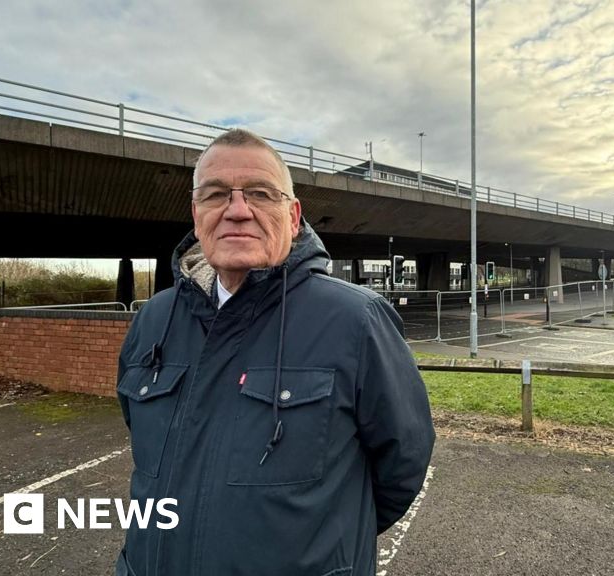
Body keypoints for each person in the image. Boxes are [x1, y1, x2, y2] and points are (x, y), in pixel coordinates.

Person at [115, 128, 435, 576]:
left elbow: (402, 464)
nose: (237, 211)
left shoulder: (356, 321)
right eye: (215, 195)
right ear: (196, 213)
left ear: (293, 214)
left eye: (260, 194)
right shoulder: (153, 320)